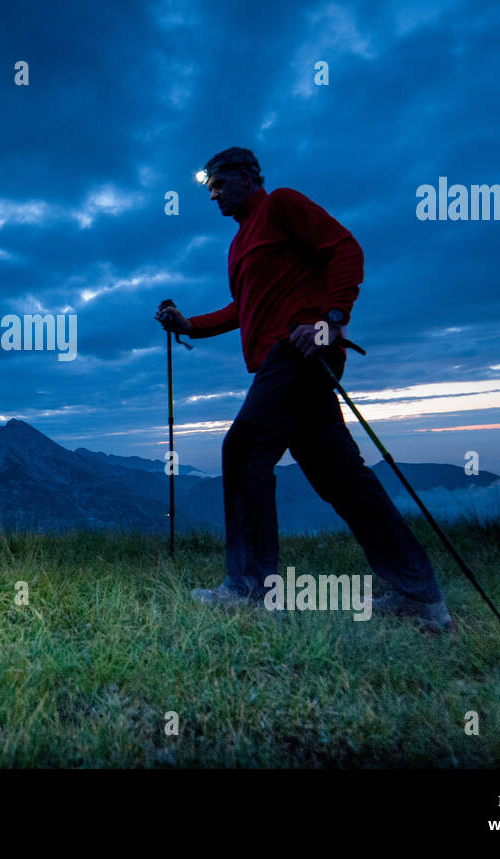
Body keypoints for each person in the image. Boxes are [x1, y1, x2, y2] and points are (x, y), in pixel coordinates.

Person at [155, 147, 453, 632]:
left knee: (244, 451)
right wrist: (190, 325)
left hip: (298, 353)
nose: (213, 195)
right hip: (290, 364)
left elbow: (345, 249)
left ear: (249, 176)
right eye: (209, 188)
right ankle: (419, 596)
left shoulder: (281, 205)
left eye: (220, 184)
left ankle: (249, 588)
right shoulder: (239, 244)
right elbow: (243, 308)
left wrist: (329, 321)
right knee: (342, 478)